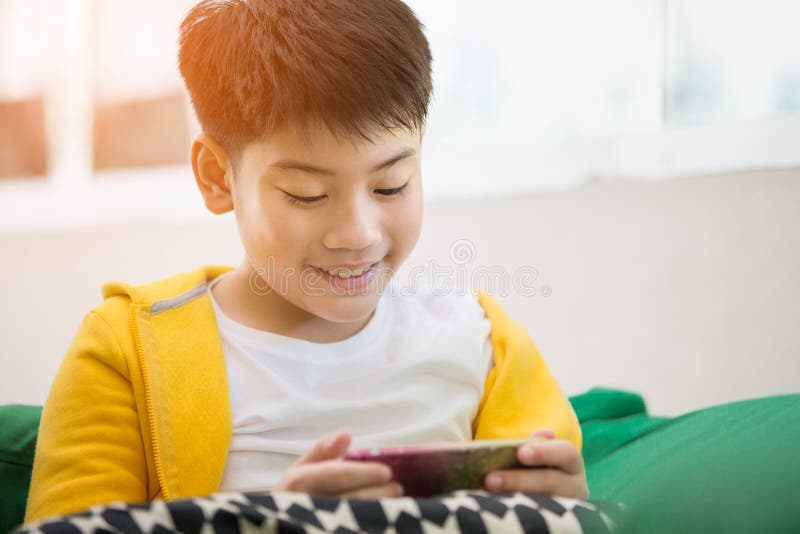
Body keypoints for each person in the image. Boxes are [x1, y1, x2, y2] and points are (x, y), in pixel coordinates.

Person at [25, 0, 586, 523]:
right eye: (307, 195)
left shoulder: (483, 341)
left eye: (392, 185)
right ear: (218, 177)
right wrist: (269, 521)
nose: (358, 235)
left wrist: (567, 511)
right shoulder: (127, 351)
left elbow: (564, 509)